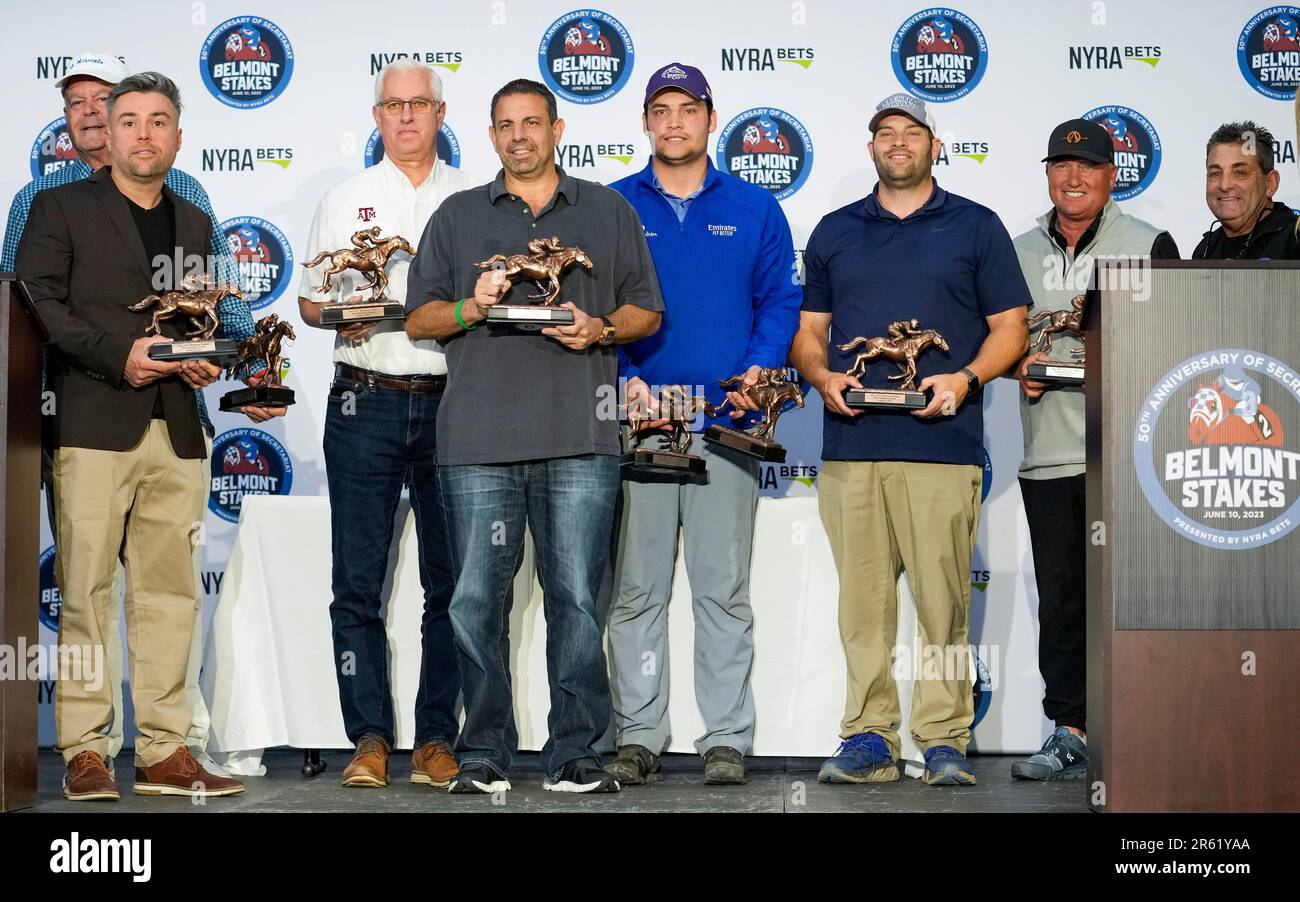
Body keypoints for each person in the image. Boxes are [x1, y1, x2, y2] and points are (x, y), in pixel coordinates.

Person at [1, 52, 278, 780]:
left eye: (158, 122)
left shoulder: (193, 215)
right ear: (105, 134)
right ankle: (87, 748)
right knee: (87, 590)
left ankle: (164, 750)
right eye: (128, 121)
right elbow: (37, 310)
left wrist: (211, 359)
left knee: (170, 594)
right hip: (92, 421)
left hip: (180, 426)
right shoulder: (56, 207)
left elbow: (217, 313)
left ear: (179, 138)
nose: (142, 134)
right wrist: (121, 354)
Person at [405, 78, 663, 794]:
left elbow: (646, 309)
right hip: (478, 444)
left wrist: (601, 328)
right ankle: (483, 750)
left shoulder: (608, 211)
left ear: (557, 128)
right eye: (505, 125)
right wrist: (469, 304)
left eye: (531, 122)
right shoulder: (457, 217)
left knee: (577, 599)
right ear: (490, 136)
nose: (519, 135)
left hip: (581, 437)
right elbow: (418, 317)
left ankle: (576, 752)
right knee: (475, 603)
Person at [789, 92, 1030, 787]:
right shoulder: (835, 230)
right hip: (852, 447)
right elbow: (809, 333)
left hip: (944, 447)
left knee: (944, 605)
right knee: (863, 608)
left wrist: (967, 376)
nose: (898, 143)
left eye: (911, 132)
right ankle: (868, 736)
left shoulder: (977, 227)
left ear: (934, 145)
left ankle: (945, 736)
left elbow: (1010, 327)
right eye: (885, 133)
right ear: (871, 147)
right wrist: (822, 375)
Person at [603, 62, 800, 786]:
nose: (675, 122)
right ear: (646, 122)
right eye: (662, 109)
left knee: (721, 589)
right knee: (637, 591)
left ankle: (725, 738)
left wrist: (758, 368)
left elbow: (780, 300)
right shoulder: (614, 205)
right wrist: (624, 381)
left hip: (727, 426)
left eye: (689, 108)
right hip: (645, 427)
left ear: (712, 119)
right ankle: (639, 735)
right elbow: (599, 309)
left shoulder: (755, 207)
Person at [296, 59, 478, 790]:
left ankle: (436, 738)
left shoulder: (473, 199)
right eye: (393, 106)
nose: (406, 117)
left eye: (420, 105)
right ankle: (368, 737)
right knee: (356, 585)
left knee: (452, 584)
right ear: (376, 117)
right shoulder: (345, 199)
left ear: (440, 113)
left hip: (453, 403)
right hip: (361, 400)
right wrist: (347, 311)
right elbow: (310, 305)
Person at [1010, 118, 1179, 782]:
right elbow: (994, 343)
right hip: (1048, 454)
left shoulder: (1150, 242)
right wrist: (1011, 365)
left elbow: (1175, 344)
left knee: (1135, 598)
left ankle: (1143, 725)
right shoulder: (1017, 250)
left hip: (1128, 458)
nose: (1073, 177)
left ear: (1114, 176)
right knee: (1063, 601)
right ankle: (1070, 728)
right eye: (1061, 165)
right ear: (1048, 174)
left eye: (1087, 166)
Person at [1193, 120, 1299, 259]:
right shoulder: (1204, 250)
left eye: (1240, 173)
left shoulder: (1295, 239)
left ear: (1270, 183)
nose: (1225, 185)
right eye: (1215, 173)